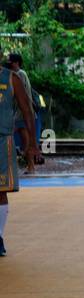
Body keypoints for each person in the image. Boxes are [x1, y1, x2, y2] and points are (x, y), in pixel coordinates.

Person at [0, 57, 42, 257]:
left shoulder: (11, 78)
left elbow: (27, 110)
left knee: (0, 190)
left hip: (2, 140)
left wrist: (33, 143)